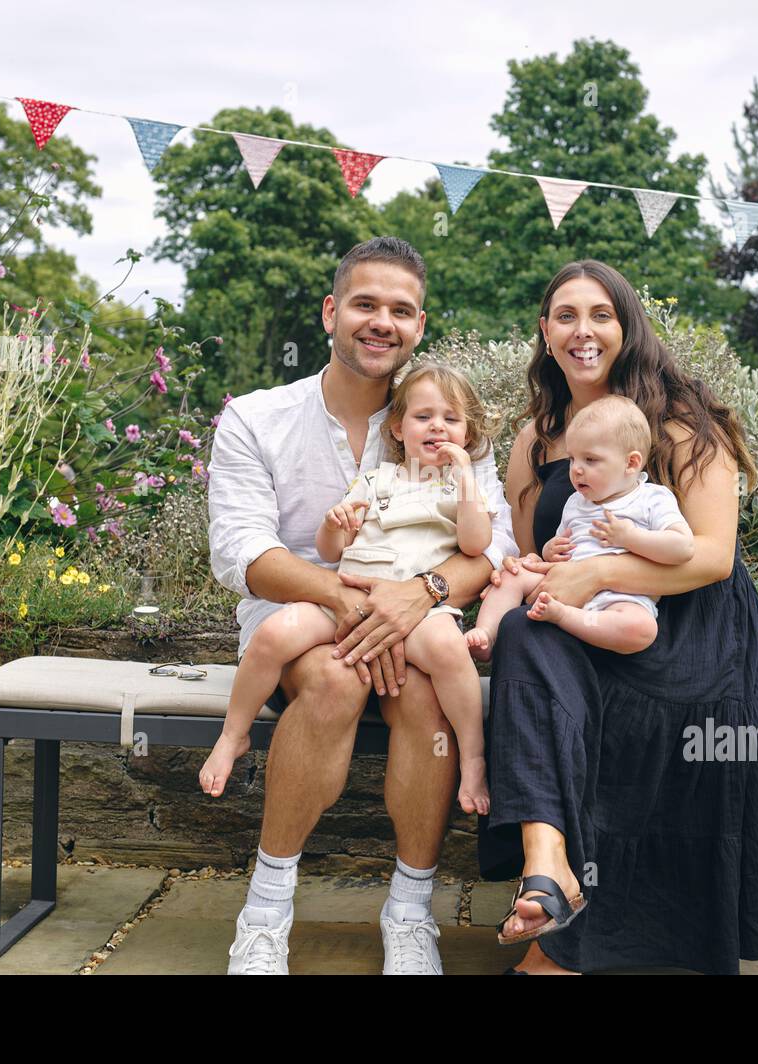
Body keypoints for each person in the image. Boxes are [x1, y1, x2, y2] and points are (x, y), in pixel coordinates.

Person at [478, 259, 758, 975]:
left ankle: (557, 943)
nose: (583, 331)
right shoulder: (536, 438)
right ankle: (548, 864)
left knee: (627, 711)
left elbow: (713, 557)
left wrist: (595, 570)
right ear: (545, 330)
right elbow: (536, 553)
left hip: (694, 628)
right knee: (524, 630)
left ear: (626, 327)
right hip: (589, 618)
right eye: (565, 315)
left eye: (601, 315)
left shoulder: (681, 421)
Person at [206, 237, 518, 975]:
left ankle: (411, 913)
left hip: (419, 609)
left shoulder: (443, 419)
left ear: (419, 324)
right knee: (336, 678)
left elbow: (493, 545)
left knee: (421, 693)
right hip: (301, 613)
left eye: (401, 311)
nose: (382, 322)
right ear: (331, 312)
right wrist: (349, 601)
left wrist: (422, 595)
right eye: (365, 304)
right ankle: (266, 909)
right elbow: (240, 553)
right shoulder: (257, 418)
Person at [201, 362, 497, 816]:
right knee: (276, 634)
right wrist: (335, 526)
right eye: (423, 418)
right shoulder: (376, 478)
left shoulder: (458, 487)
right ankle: (232, 733)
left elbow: (478, 545)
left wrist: (466, 478)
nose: (437, 427)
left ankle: (473, 759)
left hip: (416, 608)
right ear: (397, 429)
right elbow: (332, 549)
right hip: (344, 595)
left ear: (469, 435)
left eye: (452, 420)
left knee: (449, 653)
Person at [468, 393, 693, 659]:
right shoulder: (576, 502)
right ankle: (486, 635)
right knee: (513, 574)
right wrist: (551, 550)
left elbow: (683, 548)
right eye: (573, 459)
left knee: (641, 629)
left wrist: (631, 538)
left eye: (591, 460)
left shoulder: (651, 498)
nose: (576, 469)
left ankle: (564, 617)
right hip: (567, 584)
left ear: (631, 463)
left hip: (621, 598)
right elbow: (559, 550)